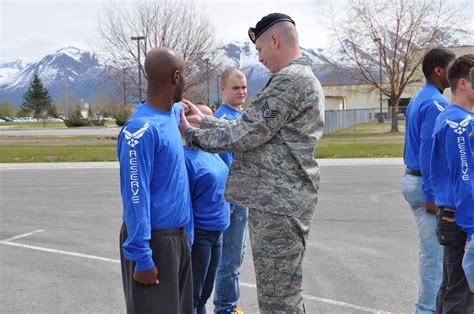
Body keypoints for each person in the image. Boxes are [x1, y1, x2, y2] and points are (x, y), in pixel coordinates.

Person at [179, 13, 325, 313]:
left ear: (274, 40)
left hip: (279, 206)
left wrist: (190, 134)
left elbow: (245, 134)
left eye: (259, 50)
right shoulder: (297, 79)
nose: (258, 58)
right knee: (282, 294)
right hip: (281, 203)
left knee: (278, 301)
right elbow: (253, 126)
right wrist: (204, 120)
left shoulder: (289, 81)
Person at [117, 47, 193, 313]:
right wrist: (142, 257)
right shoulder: (139, 131)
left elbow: (174, 110)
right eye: (184, 73)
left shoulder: (169, 116)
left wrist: (187, 237)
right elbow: (135, 196)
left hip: (178, 240)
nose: (186, 79)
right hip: (154, 243)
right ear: (175, 77)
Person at [402, 47, 455, 314]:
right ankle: (426, 310)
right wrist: (432, 194)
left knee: (433, 254)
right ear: (438, 70)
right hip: (425, 185)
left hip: (414, 180)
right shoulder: (436, 104)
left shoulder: (420, 97)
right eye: (451, 67)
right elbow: (427, 150)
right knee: (434, 257)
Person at [431, 54, 474, 312]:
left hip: (455, 219)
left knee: (451, 289)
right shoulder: (459, 123)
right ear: (463, 84)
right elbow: (466, 179)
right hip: (461, 221)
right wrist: (471, 230)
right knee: (461, 298)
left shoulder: (455, 117)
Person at [183, 105, 231, 314]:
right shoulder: (185, 157)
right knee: (192, 297)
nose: (206, 125)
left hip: (218, 232)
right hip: (200, 234)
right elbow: (184, 202)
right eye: (199, 120)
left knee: (204, 295)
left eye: (208, 120)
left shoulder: (212, 151)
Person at [212, 67, 249, 314]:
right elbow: (223, 166)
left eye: (244, 87)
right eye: (236, 88)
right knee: (229, 260)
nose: (241, 92)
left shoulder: (240, 116)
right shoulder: (222, 120)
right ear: (223, 89)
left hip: (244, 198)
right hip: (233, 202)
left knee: (238, 257)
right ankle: (225, 308)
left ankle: (228, 305)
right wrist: (230, 205)